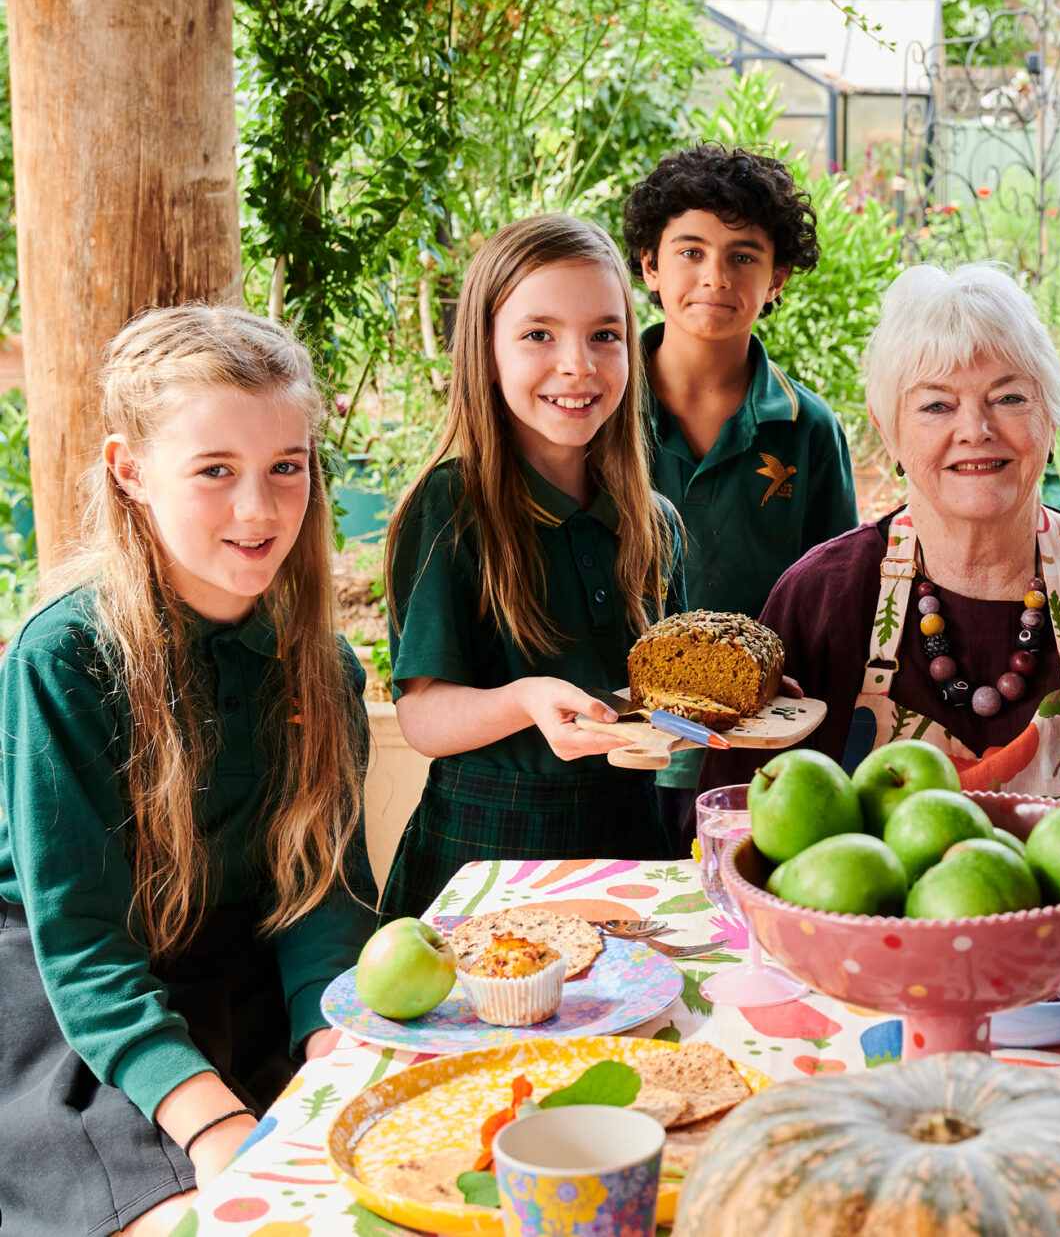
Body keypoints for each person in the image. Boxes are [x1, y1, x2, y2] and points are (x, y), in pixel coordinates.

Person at [0, 308, 374, 1237]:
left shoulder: (325, 665)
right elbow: (80, 941)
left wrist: (332, 1046)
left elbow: (321, 894)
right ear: (130, 470)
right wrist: (212, 1123)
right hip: (71, 1002)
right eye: (216, 471)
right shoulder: (63, 660)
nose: (260, 508)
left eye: (287, 466)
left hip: (237, 971)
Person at [702, 262, 1060, 825]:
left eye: (1009, 398)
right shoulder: (820, 598)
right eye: (936, 405)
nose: (976, 429)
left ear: (1050, 414)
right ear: (886, 428)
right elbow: (736, 827)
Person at [380, 214, 686, 920]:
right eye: (538, 334)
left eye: (605, 335)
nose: (578, 364)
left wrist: (738, 707)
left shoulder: (653, 522)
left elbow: (664, 702)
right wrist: (525, 699)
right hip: (486, 852)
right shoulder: (451, 506)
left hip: (630, 840)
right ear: (486, 351)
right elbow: (423, 716)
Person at [620, 145, 859, 843]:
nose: (714, 277)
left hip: (755, 756)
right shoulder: (599, 411)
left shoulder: (807, 427)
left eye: (743, 255)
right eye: (690, 252)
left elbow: (833, 597)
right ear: (650, 266)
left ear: (778, 276)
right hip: (616, 751)